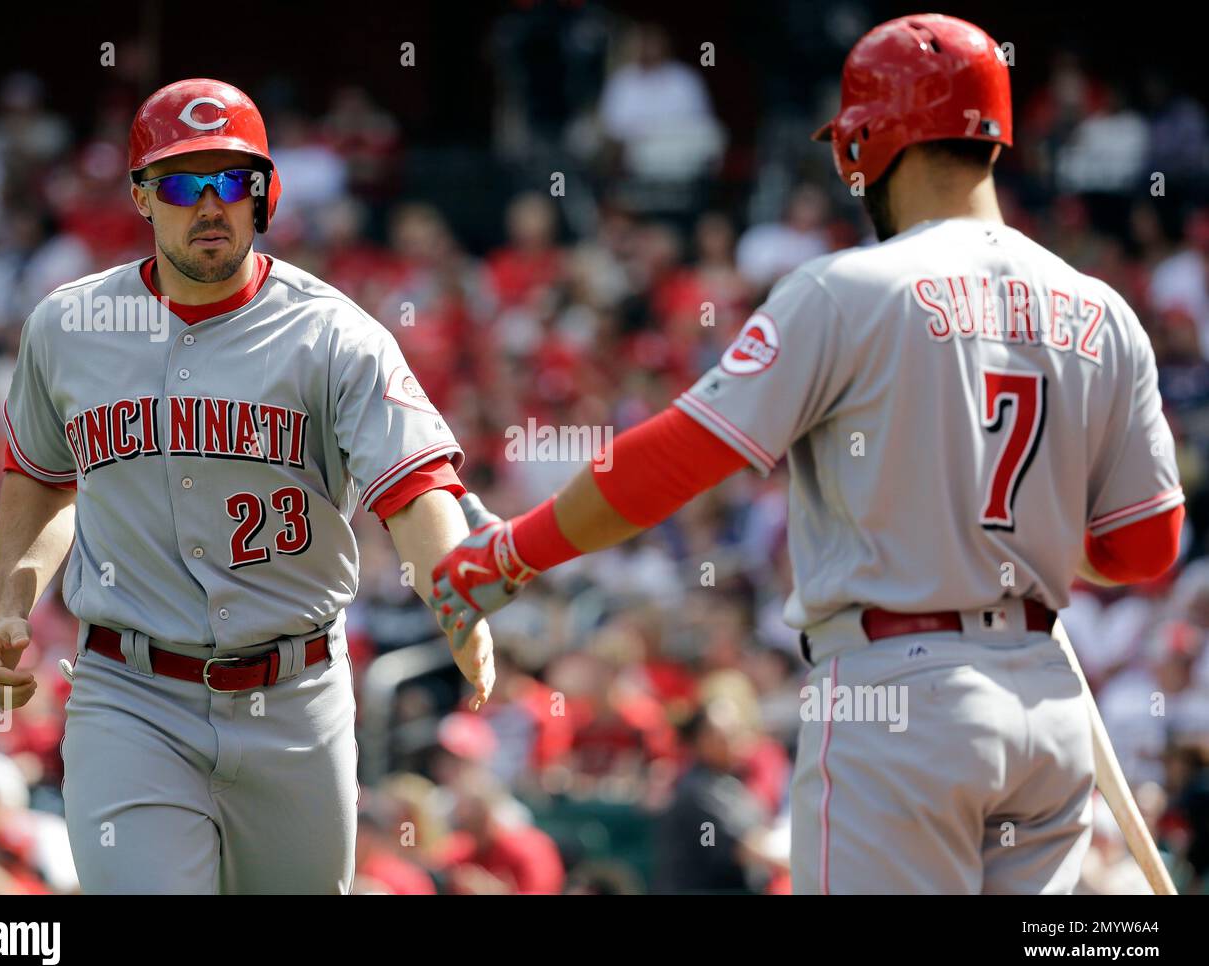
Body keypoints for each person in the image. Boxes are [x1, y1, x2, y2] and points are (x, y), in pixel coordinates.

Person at [431, 15, 1184, 894]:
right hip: (1045, 704)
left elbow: (675, 458)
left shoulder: (847, 289)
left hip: (894, 697)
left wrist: (515, 549)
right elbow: (1145, 548)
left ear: (865, 143)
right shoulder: (1101, 309)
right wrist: (1018, 542)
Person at [0, 78, 494, 894]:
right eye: (184, 184)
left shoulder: (335, 335)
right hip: (130, 693)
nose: (210, 204)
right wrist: (12, 601)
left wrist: (455, 591)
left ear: (265, 197)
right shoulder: (67, 328)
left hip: (296, 698)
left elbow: (415, 487)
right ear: (143, 198)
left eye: (234, 182)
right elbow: (42, 482)